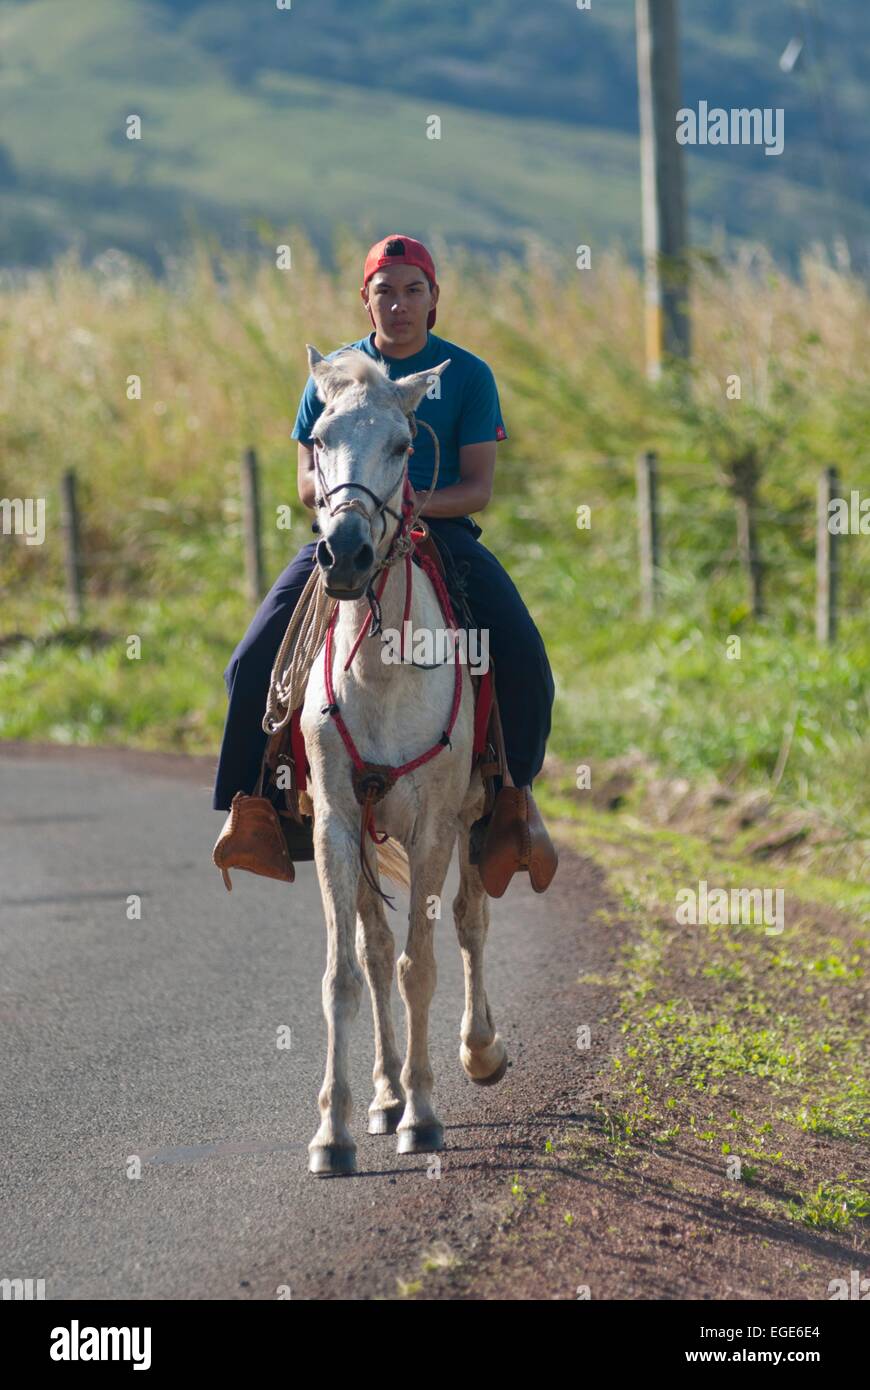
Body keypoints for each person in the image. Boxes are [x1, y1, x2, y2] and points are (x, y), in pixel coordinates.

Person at [213, 234, 557, 895]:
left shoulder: (467, 375)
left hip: (441, 533)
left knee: (521, 652)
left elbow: (479, 485)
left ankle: (511, 808)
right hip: (349, 534)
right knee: (252, 659)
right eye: (384, 292)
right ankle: (256, 809)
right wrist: (356, 509)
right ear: (364, 301)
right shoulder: (333, 375)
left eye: (412, 291)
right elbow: (307, 482)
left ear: (433, 301)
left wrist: (410, 509)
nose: (398, 305)